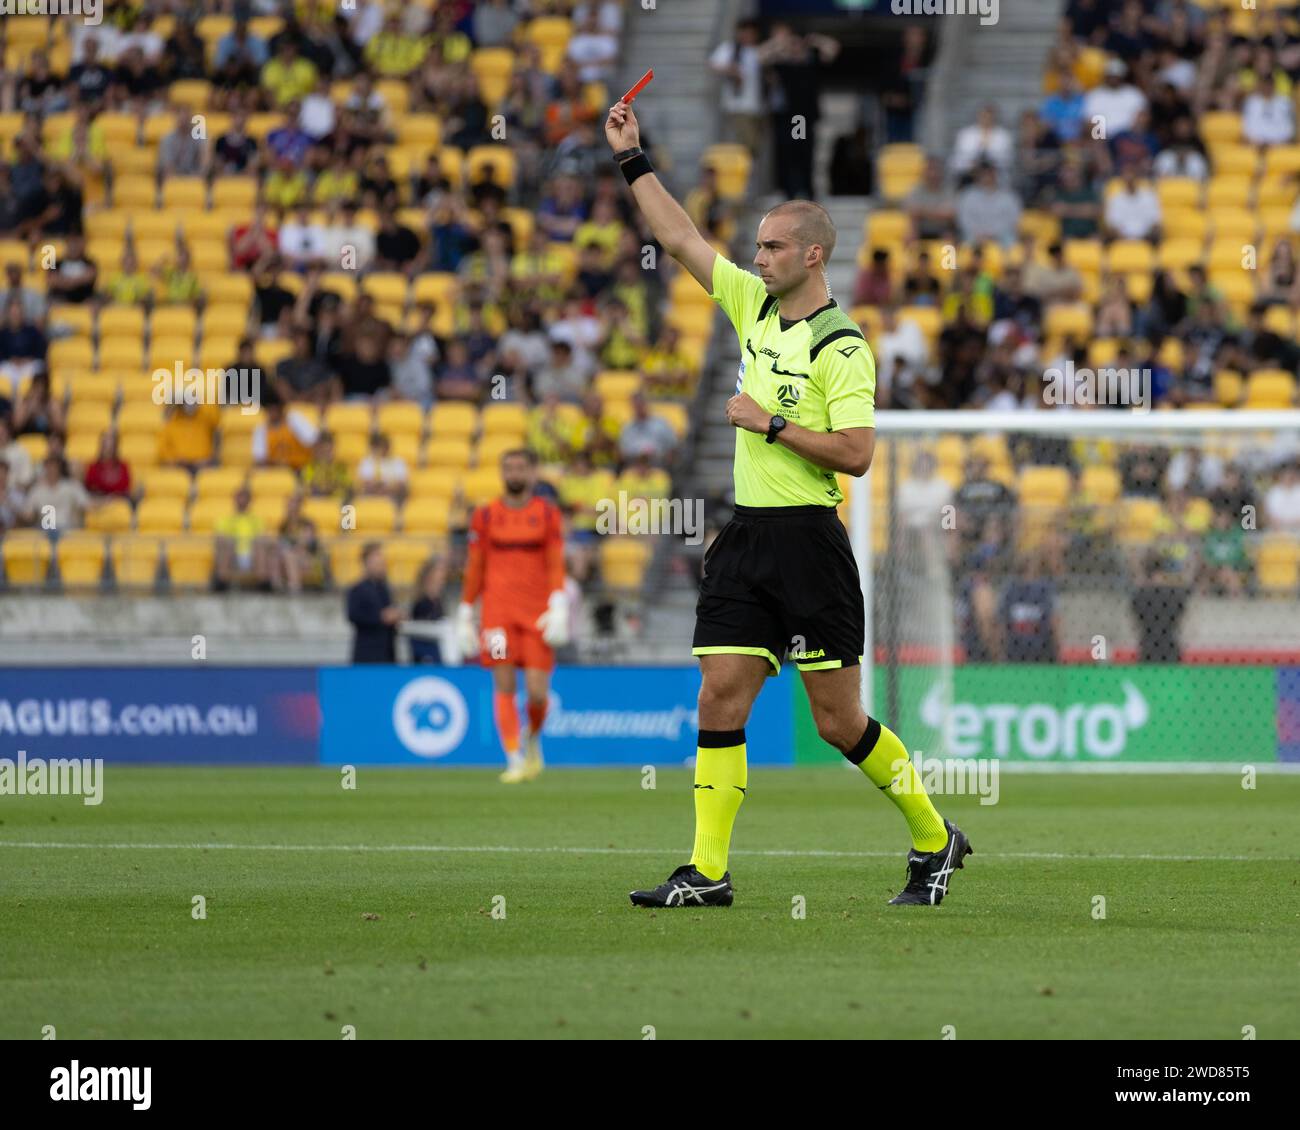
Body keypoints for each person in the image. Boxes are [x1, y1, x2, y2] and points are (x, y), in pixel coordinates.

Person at [604, 97, 970, 909]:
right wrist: (633, 156)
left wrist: (769, 423)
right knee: (720, 694)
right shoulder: (752, 307)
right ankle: (706, 871)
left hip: (809, 543)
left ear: (812, 253)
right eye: (757, 245)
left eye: (771, 246)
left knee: (838, 723)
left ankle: (936, 838)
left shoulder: (844, 346)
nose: (757, 256)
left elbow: (858, 455)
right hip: (747, 539)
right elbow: (680, 236)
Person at [456, 449, 569, 784]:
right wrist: (465, 610)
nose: (514, 473)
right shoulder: (486, 515)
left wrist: (558, 601)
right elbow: (475, 565)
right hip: (497, 616)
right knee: (503, 684)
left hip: (537, 616)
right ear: (502, 473)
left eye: (521, 468)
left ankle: (532, 738)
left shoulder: (547, 514)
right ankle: (513, 758)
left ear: (532, 472)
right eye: (509, 468)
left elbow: (554, 561)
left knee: (537, 693)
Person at [346, 542, 400, 663]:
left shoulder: (384, 589)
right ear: (366, 563)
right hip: (367, 655)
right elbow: (353, 615)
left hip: (387, 654)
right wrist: (381, 617)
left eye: (381, 563)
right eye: (376, 563)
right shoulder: (357, 589)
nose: (380, 566)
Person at [410, 557, 449, 664]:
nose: (443, 575)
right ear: (430, 575)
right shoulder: (421, 601)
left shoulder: (440, 600)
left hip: (441, 649)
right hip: (425, 651)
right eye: (439, 570)